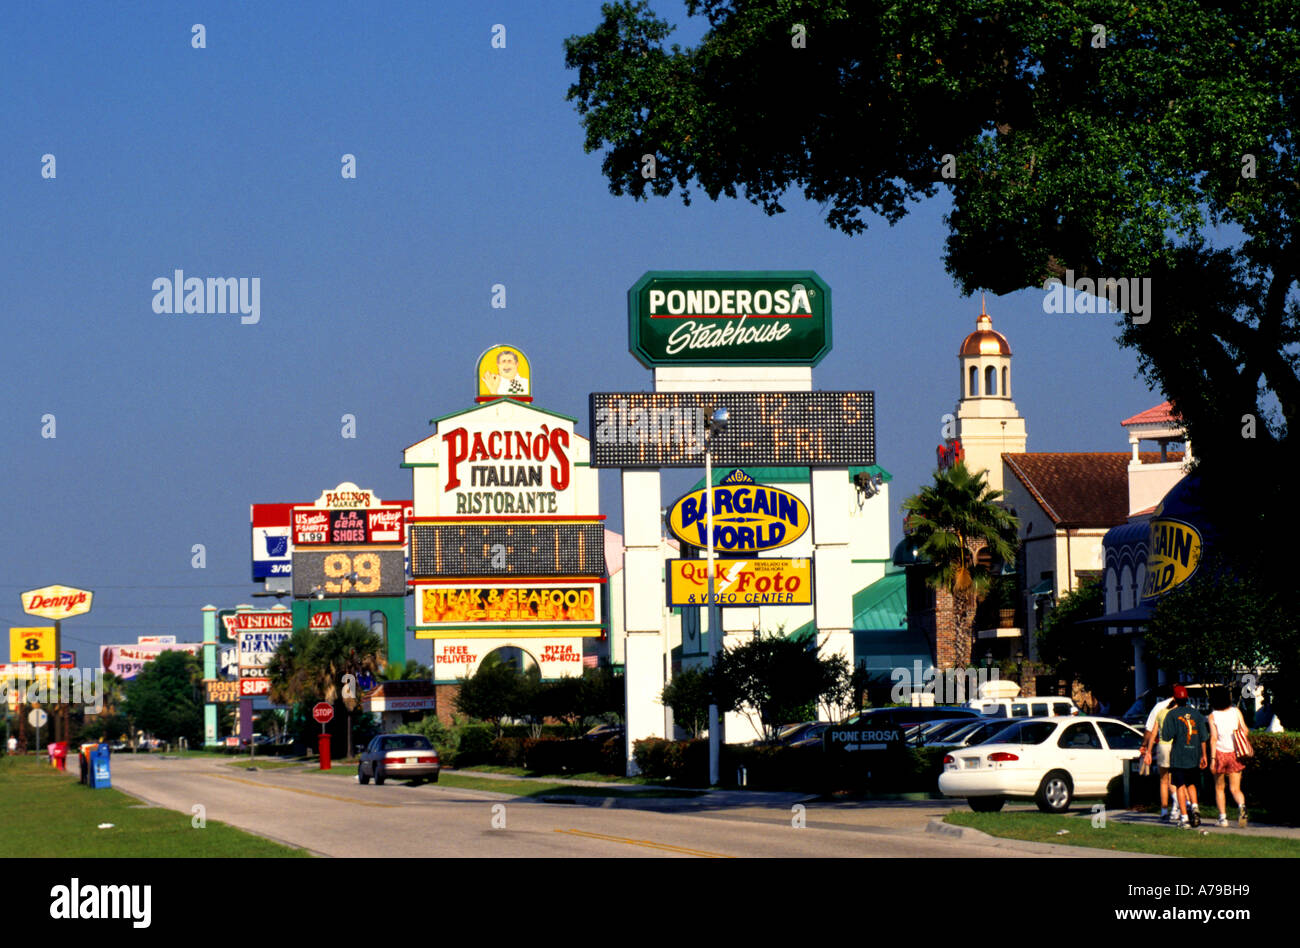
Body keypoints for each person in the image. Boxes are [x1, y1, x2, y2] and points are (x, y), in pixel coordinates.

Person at [1160, 685, 1210, 828]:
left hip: (1179, 755)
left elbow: (1167, 735)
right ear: (1187, 698)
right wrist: (1204, 756)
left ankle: (1184, 818)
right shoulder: (1197, 714)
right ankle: (1194, 807)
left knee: (1180, 786)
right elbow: (1203, 737)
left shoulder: (1172, 714)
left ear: (1175, 698)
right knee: (1192, 784)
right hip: (1194, 754)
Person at [1207, 688, 1248, 827]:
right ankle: (1241, 806)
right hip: (1235, 753)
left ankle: (1222, 818)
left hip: (1219, 753)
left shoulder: (1213, 716)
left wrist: (1212, 760)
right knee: (1235, 788)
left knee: (1219, 787)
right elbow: (1245, 730)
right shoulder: (1236, 712)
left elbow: (1213, 738)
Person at [1140, 688, 1180, 823]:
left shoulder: (1160, 709)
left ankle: (1165, 810)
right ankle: (1178, 806)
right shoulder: (1185, 708)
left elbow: (1150, 730)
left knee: (1164, 780)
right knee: (1178, 780)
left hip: (1163, 746)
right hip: (1180, 747)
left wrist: (1146, 747)